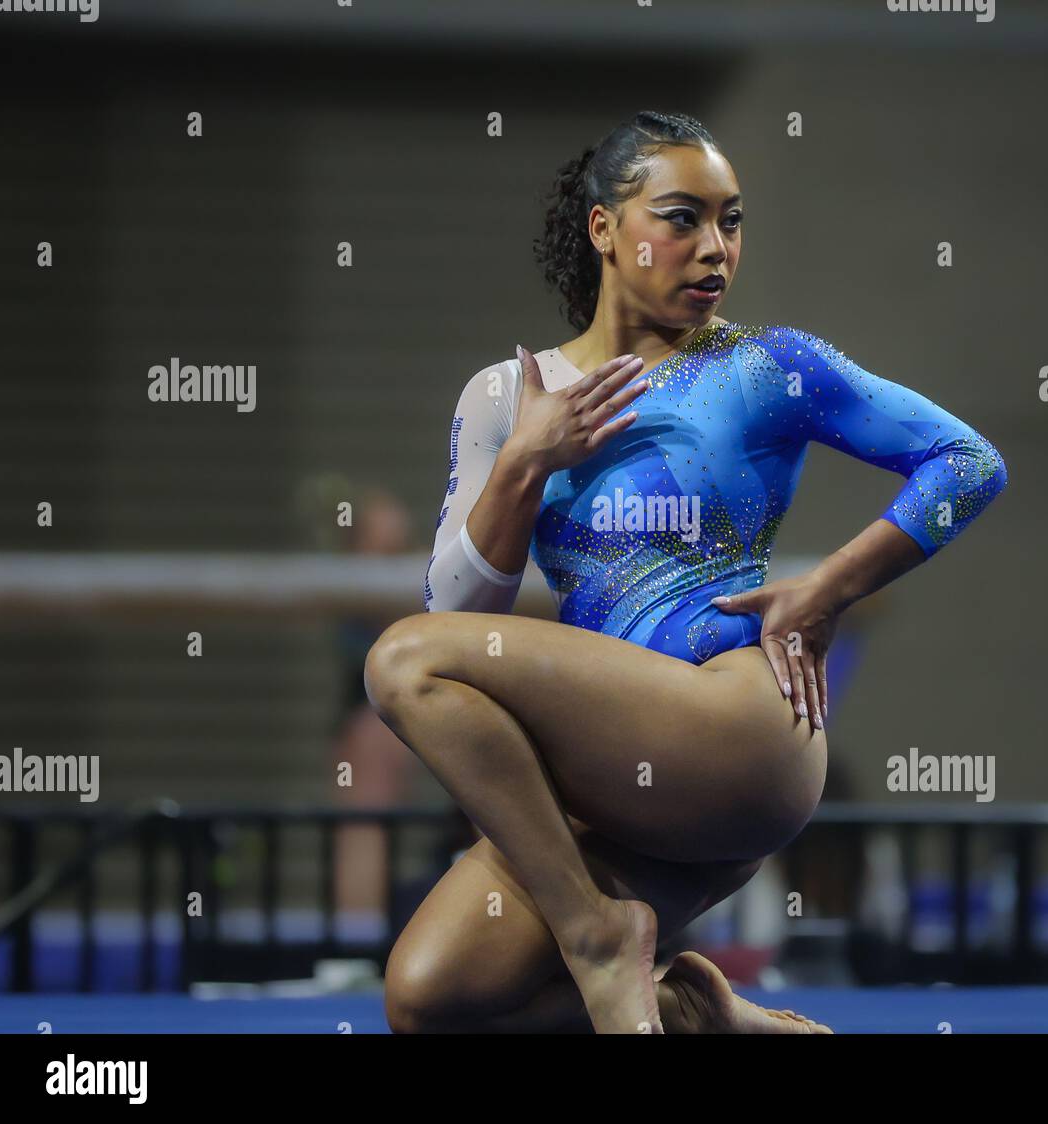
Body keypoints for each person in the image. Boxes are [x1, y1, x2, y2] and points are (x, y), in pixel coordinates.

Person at [362, 110, 1008, 1033]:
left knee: (405, 660)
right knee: (432, 1003)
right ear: (604, 230)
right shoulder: (510, 397)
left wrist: (829, 587)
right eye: (681, 219)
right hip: (609, 786)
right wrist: (525, 463)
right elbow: (466, 606)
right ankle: (705, 1012)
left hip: (733, 730)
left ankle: (595, 935)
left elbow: (969, 463)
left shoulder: (768, 367)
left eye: (731, 221)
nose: (714, 249)